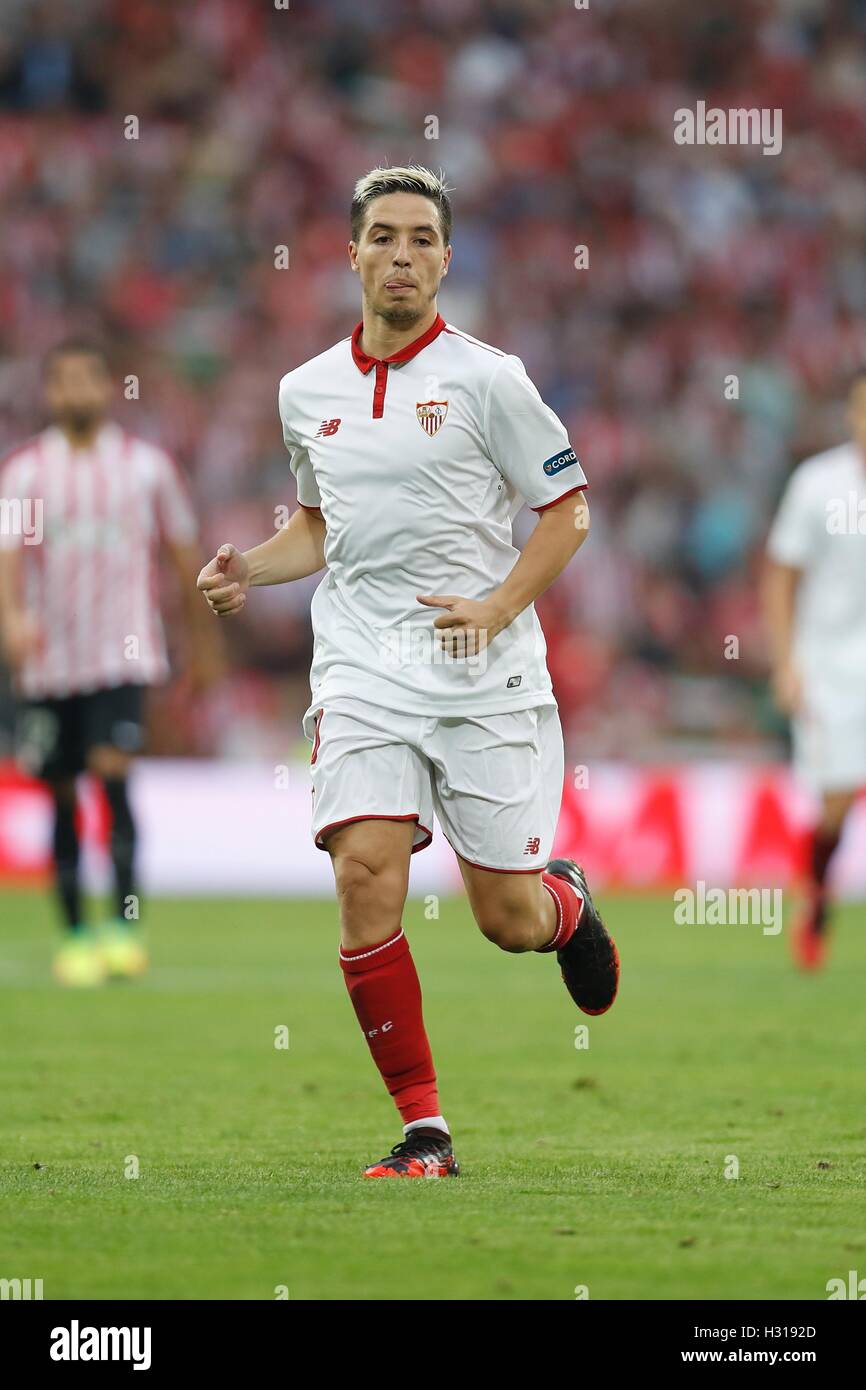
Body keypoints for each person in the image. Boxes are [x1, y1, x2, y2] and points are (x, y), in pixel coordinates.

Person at [197, 166, 619, 1177]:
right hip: (361, 668)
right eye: (381, 235)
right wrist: (250, 568)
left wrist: (497, 604)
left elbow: (567, 513)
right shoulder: (306, 391)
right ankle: (424, 1131)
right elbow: (318, 526)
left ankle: (562, 906)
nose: (400, 253)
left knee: (503, 920)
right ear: (350, 254)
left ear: (443, 257)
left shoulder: (489, 379)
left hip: (484, 672)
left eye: (420, 238)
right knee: (363, 874)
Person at [0, 339, 219, 985]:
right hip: (50, 659)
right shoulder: (26, 472)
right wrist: (12, 619)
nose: (75, 393)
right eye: (62, 382)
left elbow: (184, 556)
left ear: (106, 388)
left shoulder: (145, 468)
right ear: (50, 393)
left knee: (113, 774)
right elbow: (8, 554)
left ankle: (124, 927)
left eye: (86, 381)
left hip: (124, 650)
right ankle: (75, 934)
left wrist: (203, 644)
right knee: (63, 792)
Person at [764, 366, 866, 969]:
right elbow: (781, 574)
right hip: (829, 666)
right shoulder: (818, 484)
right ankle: (818, 901)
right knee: (835, 803)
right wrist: (785, 664)